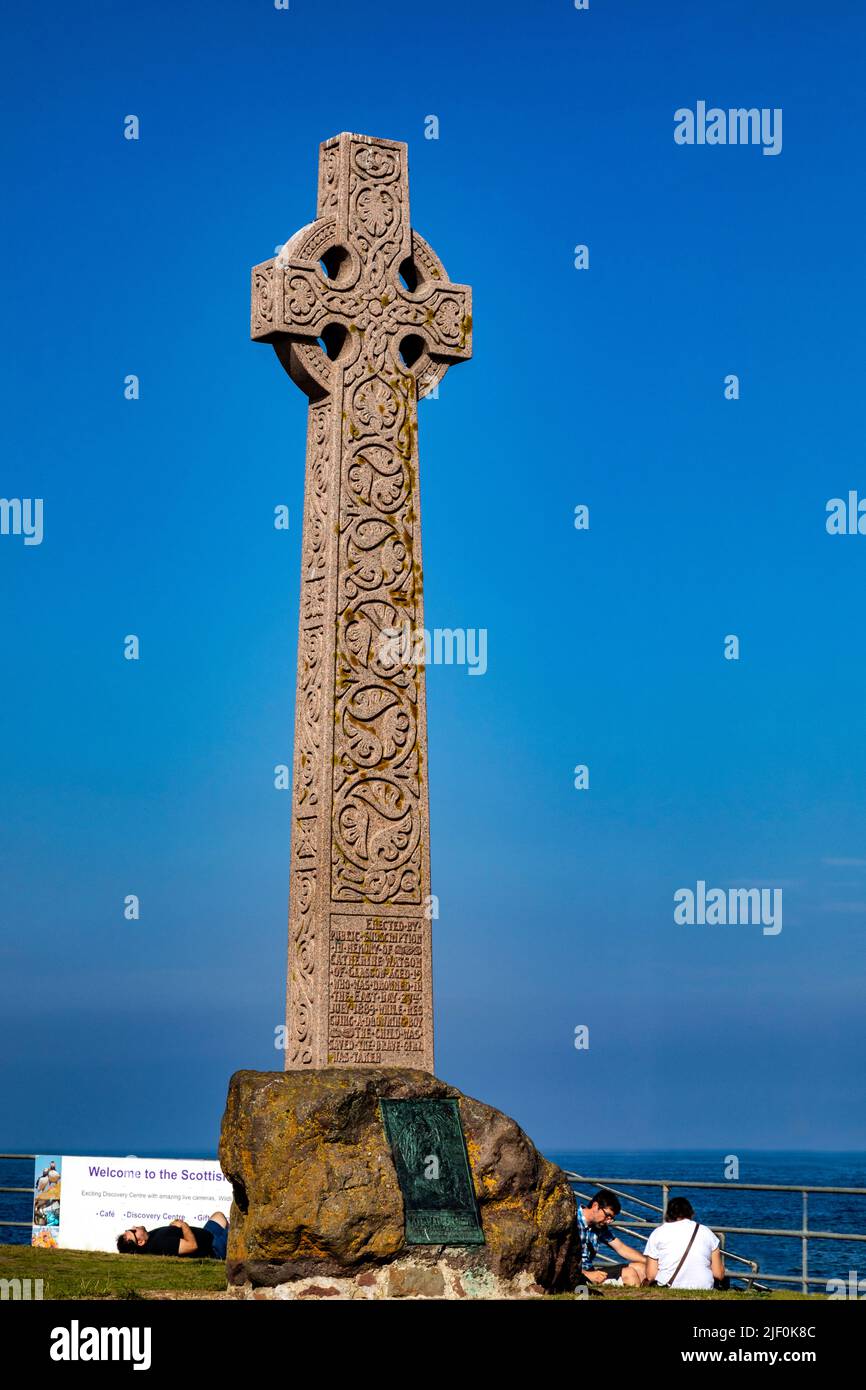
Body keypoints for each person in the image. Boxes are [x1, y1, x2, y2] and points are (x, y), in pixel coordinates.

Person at [643, 1196, 725, 1289]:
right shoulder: (707, 1232)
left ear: (668, 1214)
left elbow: (651, 1275)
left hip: (669, 1286)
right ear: (691, 1213)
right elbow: (718, 1274)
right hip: (704, 1287)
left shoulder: (658, 1233)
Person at [576, 1188, 648, 1285]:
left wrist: (648, 1261)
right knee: (629, 1273)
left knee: (642, 1268)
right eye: (607, 1215)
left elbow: (621, 1248)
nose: (609, 1221)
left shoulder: (599, 1226)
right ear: (595, 1206)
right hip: (576, 1274)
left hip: (590, 1271)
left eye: (611, 1218)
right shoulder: (572, 1221)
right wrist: (587, 1274)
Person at [116, 1211, 229, 1259]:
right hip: (215, 1246)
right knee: (240, 1227)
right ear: (140, 1242)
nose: (134, 1227)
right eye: (133, 1231)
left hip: (208, 1235)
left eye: (130, 1229)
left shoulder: (151, 1239)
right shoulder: (159, 1244)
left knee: (218, 1215)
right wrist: (183, 1225)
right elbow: (192, 1246)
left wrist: (172, 1228)